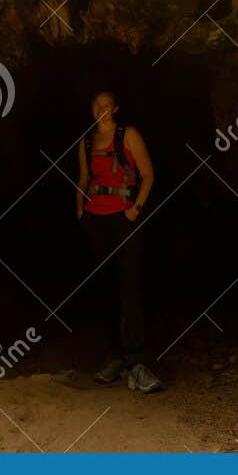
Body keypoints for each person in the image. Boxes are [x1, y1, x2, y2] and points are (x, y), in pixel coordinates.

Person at [76, 89, 162, 393]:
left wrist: (135, 209)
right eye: (96, 104)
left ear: (116, 108)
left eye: (107, 104)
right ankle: (114, 358)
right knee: (105, 288)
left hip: (124, 218)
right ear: (91, 109)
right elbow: (84, 179)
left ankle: (136, 361)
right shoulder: (86, 142)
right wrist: (80, 210)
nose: (101, 109)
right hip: (96, 219)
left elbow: (149, 175)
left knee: (130, 286)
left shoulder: (129, 135)